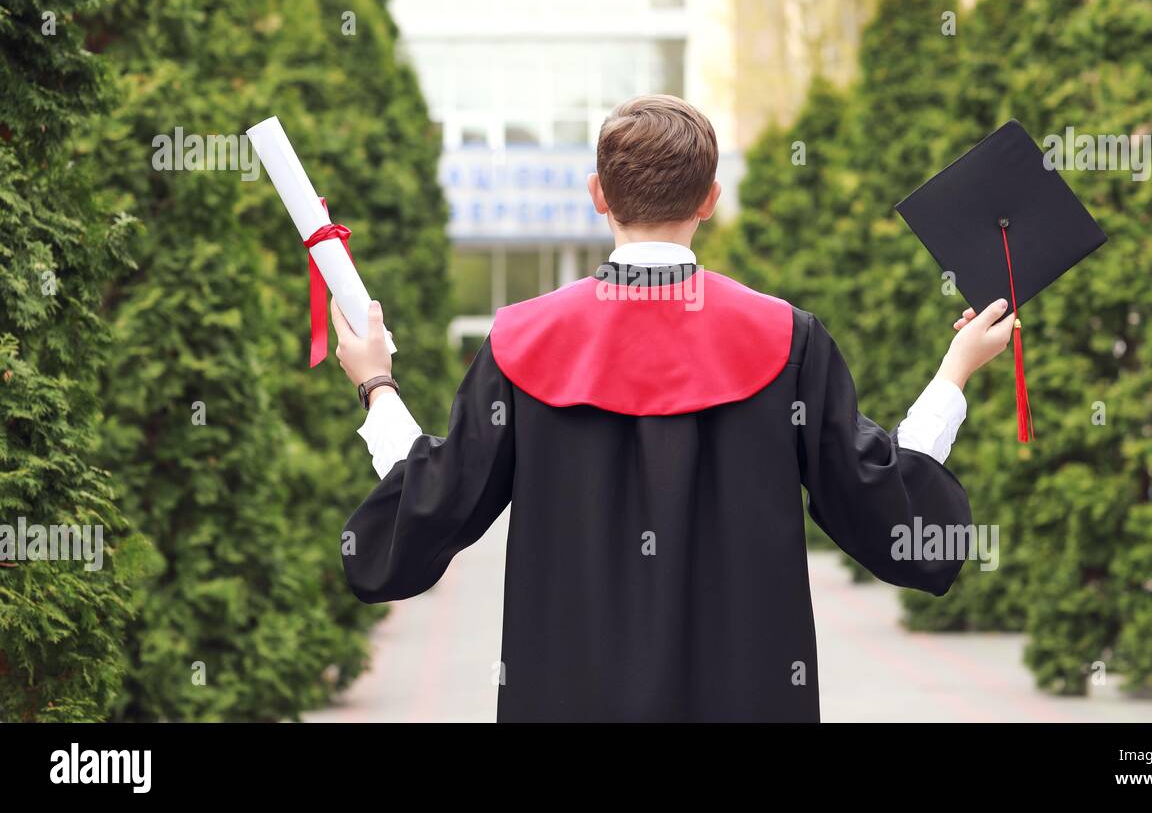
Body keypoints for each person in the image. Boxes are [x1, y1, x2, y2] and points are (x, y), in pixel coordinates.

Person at [333, 94, 1014, 722]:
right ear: (712, 198)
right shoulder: (787, 340)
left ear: (598, 196)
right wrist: (954, 373)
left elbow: (430, 505)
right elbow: (881, 502)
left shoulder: (521, 340)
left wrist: (377, 385)